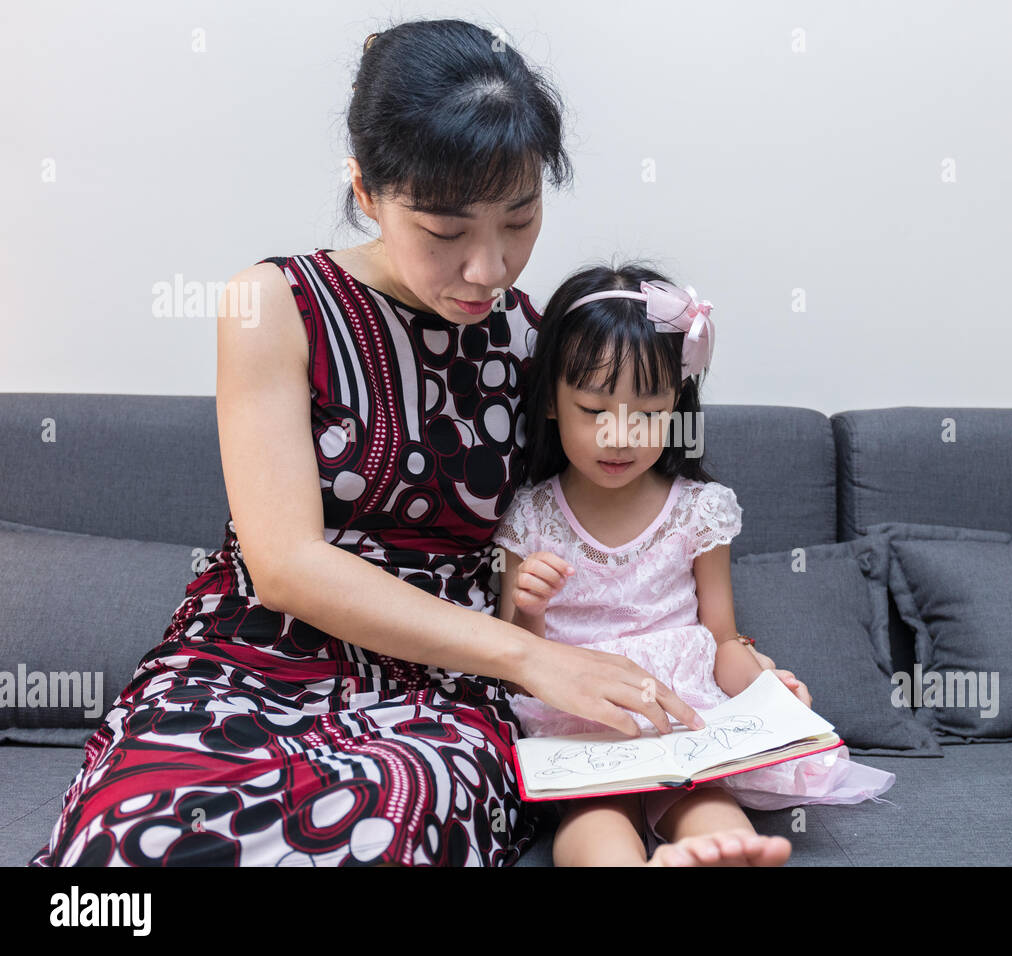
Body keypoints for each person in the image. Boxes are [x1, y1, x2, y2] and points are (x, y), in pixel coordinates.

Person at [27, 18, 732, 867]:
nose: (489, 268)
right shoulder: (274, 305)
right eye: (445, 232)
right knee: (136, 830)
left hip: (445, 681)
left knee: (385, 826)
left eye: (520, 220)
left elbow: (610, 516)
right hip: (256, 650)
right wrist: (529, 657)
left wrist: (708, 660)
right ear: (365, 191)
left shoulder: (535, 339)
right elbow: (286, 563)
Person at [491, 263, 897, 866]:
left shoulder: (699, 512)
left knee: (709, 801)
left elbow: (723, 640)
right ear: (551, 401)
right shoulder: (529, 515)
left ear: (677, 407)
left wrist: (767, 694)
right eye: (595, 410)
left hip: (685, 716)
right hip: (583, 713)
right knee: (598, 813)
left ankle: (714, 854)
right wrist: (530, 606)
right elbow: (513, 661)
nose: (620, 436)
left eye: (648, 412)